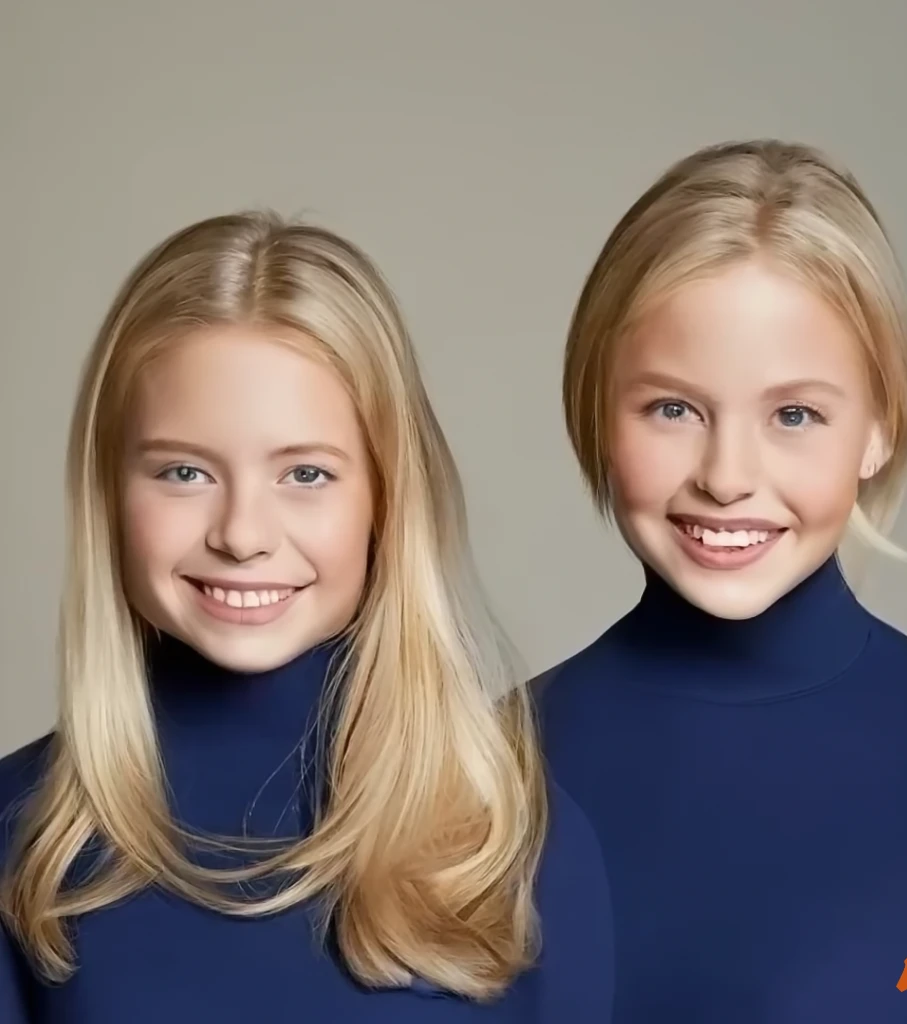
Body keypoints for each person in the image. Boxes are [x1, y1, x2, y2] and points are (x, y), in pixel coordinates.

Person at [0, 212, 613, 1023]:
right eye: (184, 471)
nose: (243, 535)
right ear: (109, 496)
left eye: (306, 474)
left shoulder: (510, 844)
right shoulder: (22, 840)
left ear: (385, 499)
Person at [535, 140, 907, 1023]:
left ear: (879, 428)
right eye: (673, 409)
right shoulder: (480, 766)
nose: (727, 475)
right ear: (597, 412)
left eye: (794, 414)